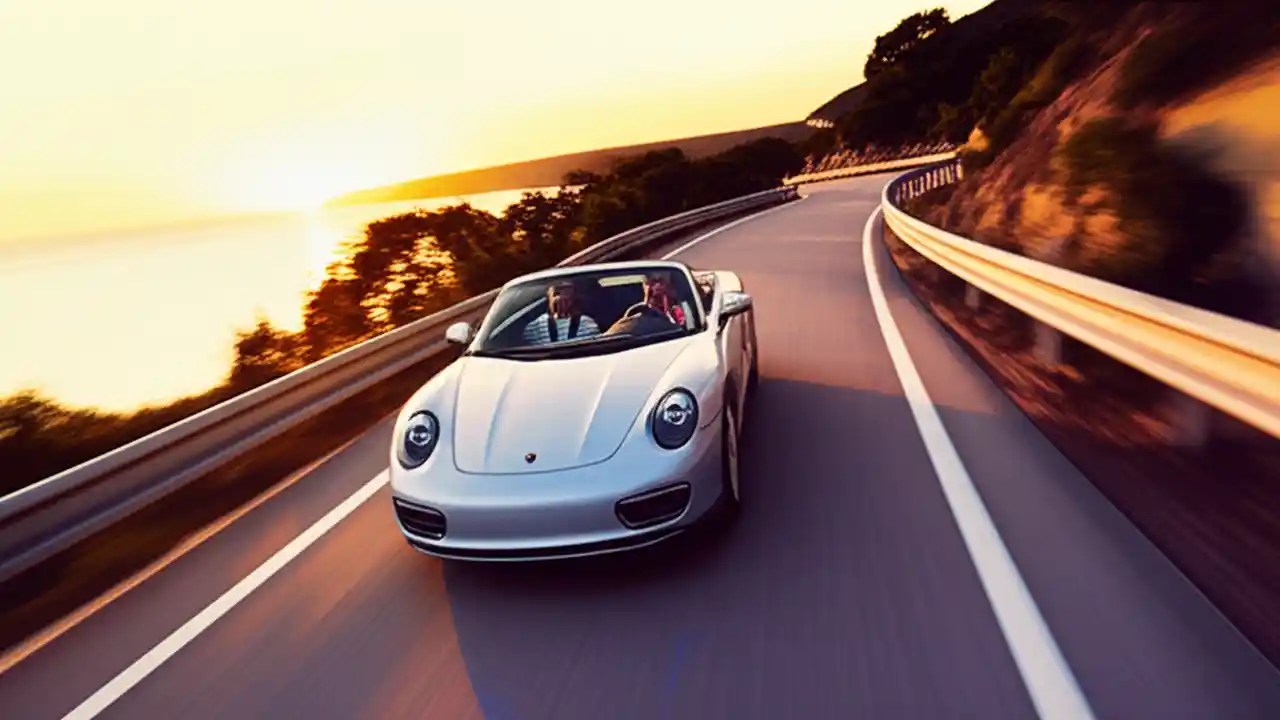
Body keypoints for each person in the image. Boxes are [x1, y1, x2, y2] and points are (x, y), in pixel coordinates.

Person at [522, 278, 600, 344]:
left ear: (574, 296)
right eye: (557, 292)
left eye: (566, 291)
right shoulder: (534, 328)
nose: (560, 298)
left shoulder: (587, 324)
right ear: (548, 294)